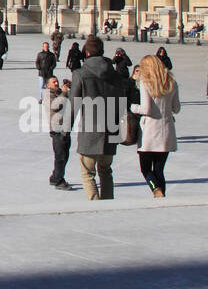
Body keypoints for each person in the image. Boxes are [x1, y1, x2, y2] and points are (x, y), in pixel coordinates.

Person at [69, 36, 126, 200]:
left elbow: (73, 105)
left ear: (86, 52)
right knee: (106, 171)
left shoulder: (80, 74)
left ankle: (95, 205)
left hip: (90, 132)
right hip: (111, 130)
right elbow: (122, 104)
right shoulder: (115, 75)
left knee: (87, 173)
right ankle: (108, 205)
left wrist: (64, 130)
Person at [132, 54, 181, 197]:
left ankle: (155, 189)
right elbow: (176, 108)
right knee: (159, 169)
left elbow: (146, 109)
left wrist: (133, 107)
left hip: (149, 131)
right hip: (166, 130)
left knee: (145, 169)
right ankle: (161, 196)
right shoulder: (171, 82)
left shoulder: (146, 83)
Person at [44, 76, 72, 191]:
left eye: (57, 81)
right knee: (60, 156)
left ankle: (55, 177)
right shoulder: (48, 94)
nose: (56, 83)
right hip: (57, 129)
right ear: (48, 85)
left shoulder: (58, 92)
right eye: (53, 82)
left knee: (65, 155)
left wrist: (69, 88)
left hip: (64, 128)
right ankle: (58, 180)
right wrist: (64, 93)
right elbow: (55, 106)